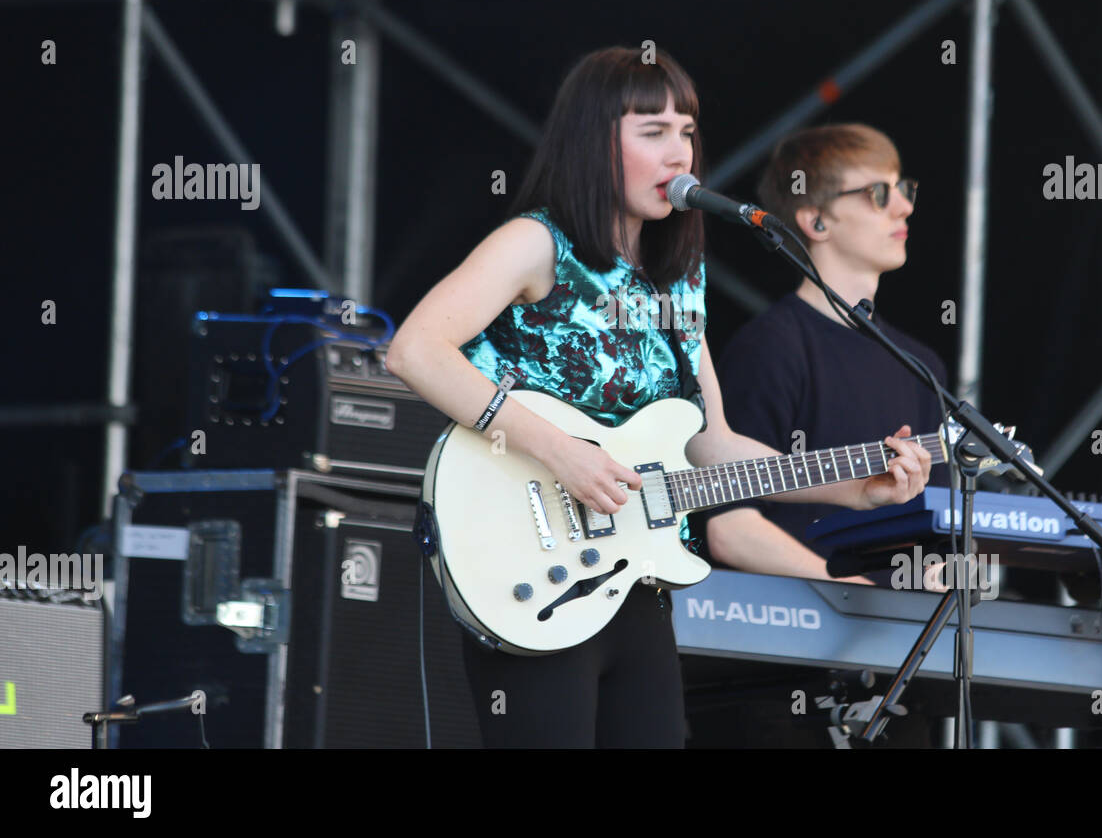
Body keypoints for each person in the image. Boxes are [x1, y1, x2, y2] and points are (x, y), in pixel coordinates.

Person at [385, 51, 931, 748]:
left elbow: (711, 443)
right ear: (592, 139)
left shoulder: (680, 278)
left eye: (687, 130)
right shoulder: (534, 244)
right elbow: (416, 350)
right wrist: (563, 452)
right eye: (653, 131)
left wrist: (854, 487)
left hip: (637, 582)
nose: (680, 151)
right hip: (532, 568)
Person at [696, 123, 949, 583]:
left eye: (903, 189)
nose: (905, 206)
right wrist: (845, 590)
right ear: (816, 221)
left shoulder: (923, 367)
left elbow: (938, 534)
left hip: (890, 633)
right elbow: (729, 528)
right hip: (787, 634)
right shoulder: (770, 346)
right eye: (879, 193)